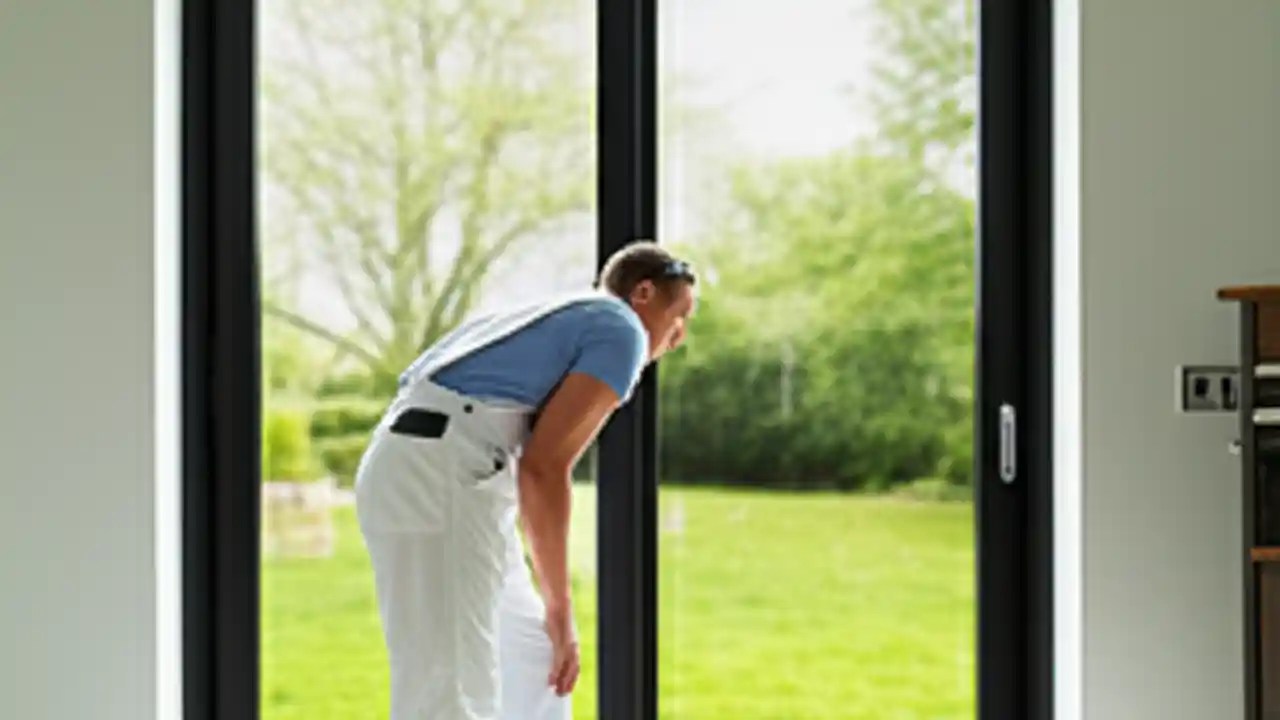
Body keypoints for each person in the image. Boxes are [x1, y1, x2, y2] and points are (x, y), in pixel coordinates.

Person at [354, 241, 697, 720]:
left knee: (535, 659)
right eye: (679, 316)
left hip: (450, 472)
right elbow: (543, 469)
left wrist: (553, 616)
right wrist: (561, 607)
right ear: (643, 293)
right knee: (448, 689)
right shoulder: (621, 328)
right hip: (439, 476)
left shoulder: (560, 314)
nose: (678, 337)